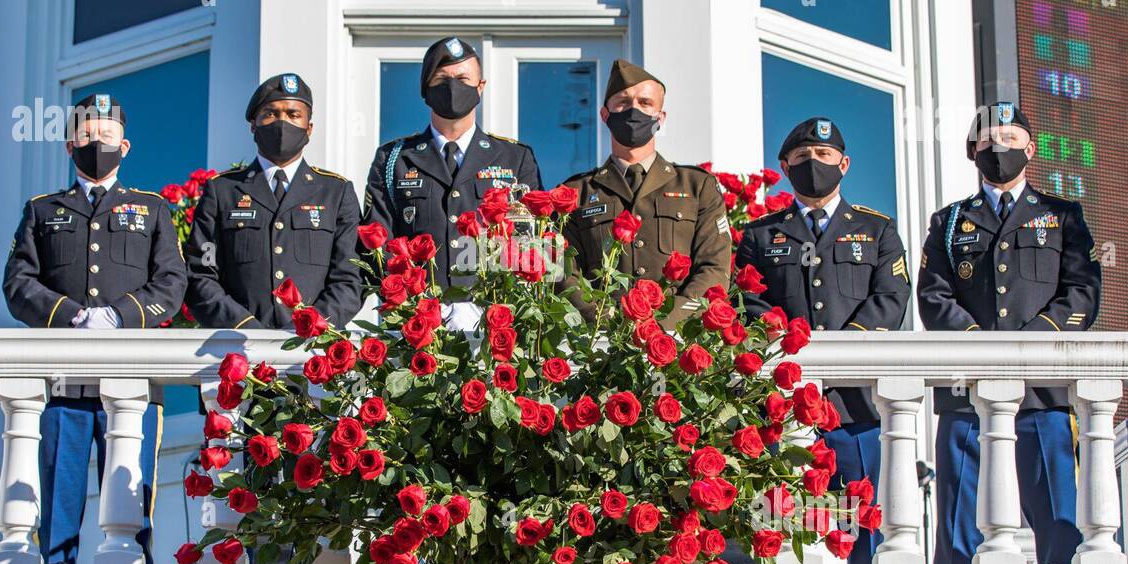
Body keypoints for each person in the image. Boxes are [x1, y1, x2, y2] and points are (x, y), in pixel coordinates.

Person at [3, 93, 185, 564]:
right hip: (63, 385)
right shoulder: (43, 211)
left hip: (131, 387)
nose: (96, 143)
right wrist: (72, 316)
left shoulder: (152, 210)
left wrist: (118, 316)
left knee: (131, 503)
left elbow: (171, 283)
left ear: (124, 146)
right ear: (69, 144)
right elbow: (18, 285)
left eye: (105, 135)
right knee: (56, 512)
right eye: (86, 135)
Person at [917, 101, 1101, 564]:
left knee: (1059, 518)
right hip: (965, 395)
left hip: (1042, 393)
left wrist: (1029, 346)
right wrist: (981, 350)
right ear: (972, 151)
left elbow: (1082, 292)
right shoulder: (949, 222)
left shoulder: (1064, 217)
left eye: (1011, 139)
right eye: (989, 140)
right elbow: (933, 297)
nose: (1001, 148)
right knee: (959, 524)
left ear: (1031, 149)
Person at [736, 117, 911, 564]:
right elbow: (746, 301)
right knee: (782, 528)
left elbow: (892, 297)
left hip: (855, 410)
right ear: (784, 167)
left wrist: (842, 349)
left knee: (862, 526)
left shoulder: (876, 230)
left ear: (845, 164)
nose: (815, 164)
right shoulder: (759, 235)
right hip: (785, 409)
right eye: (803, 157)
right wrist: (788, 345)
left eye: (825, 156)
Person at [361, 36, 541, 303]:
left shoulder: (515, 158)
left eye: (462, 79)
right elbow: (379, 247)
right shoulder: (393, 160)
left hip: (493, 323)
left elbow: (534, 248)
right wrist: (413, 304)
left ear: (481, 87)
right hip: (418, 325)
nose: (452, 87)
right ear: (426, 89)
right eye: (442, 79)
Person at [561, 58, 732, 328]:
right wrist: (607, 323)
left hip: (675, 344)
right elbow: (564, 272)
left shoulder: (697, 187)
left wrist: (668, 324)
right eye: (623, 102)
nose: (633, 110)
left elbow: (714, 268)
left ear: (660, 118)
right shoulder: (577, 193)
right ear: (605, 115)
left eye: (645, 103)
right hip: (600, 345)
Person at [186, 72, 363, 330]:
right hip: (238, 350)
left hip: (312, 353)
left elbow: (351, 278)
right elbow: (200, 275)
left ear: (309, 128)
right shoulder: (223, 191)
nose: (282, 123)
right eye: (271, 114)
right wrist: (245, 328)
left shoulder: (335, 192)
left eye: (293, 115)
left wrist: (310, 327)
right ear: (253, 126)